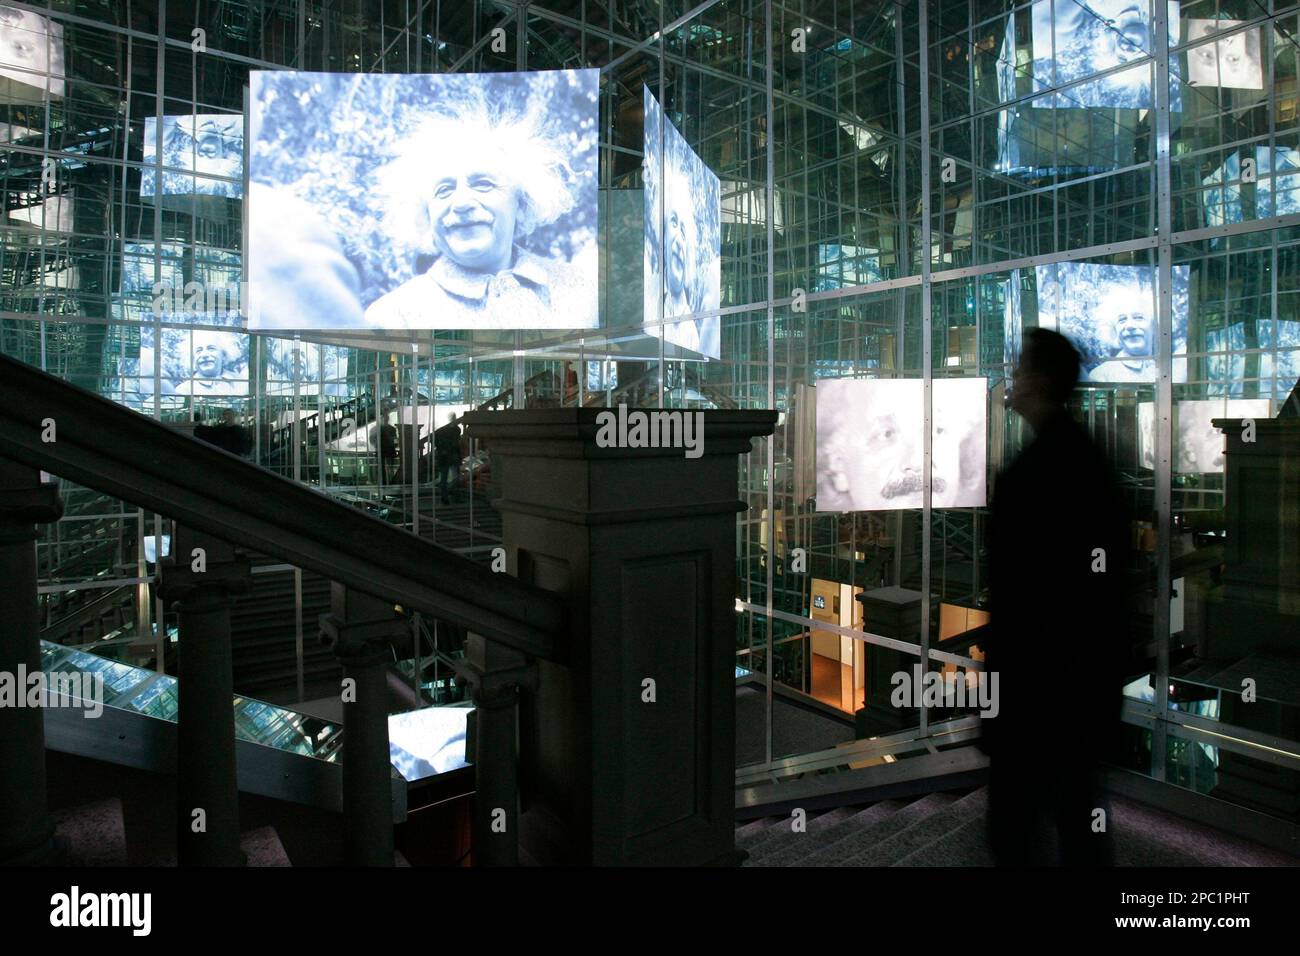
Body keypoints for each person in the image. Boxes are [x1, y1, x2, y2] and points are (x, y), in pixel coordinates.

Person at [984, 328, 1130, 866]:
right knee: (1077, 821)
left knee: (1019, 826)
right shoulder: (1089, 459)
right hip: (1076, 688)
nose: (1012, 378)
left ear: (1039, 381)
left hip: (1037, 690)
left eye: (1020, 367)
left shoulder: (1035, 472)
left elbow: (1024, 603)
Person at [363, 107, 596, 330]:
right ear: (425, 215)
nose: (462, 202)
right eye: (444, 190)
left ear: (523, 204)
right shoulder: (392, 316)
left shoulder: (584, 291)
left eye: (483, 184)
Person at [1087, 289, 1157, 383]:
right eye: (1122, 320)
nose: (1129, 326)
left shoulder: (1174, 368)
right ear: (1114, 331)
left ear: (1154, 326)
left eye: (1139, 317)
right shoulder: (1101, 375)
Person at [172, 330, 244, 396]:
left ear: (224, 355)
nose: (204, 355)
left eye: (211, 348)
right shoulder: (184, 390)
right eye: (198, 351)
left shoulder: (241, 382)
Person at [433, 415, 464, 505]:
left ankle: (450, 497)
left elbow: (456, 443)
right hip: (448, 456)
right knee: (447, 478)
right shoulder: (453, 430)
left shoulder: (456, 429)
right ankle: (448, 497)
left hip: (450, 456)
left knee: (452, 478)